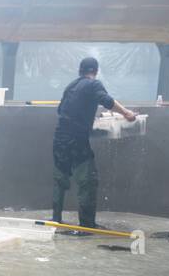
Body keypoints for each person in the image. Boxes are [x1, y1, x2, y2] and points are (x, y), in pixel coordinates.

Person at [52, 56, 136, 230]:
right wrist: (127, 113)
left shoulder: (71, 86)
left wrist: (87, 117)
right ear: (95, 71)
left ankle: (55, 220)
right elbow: (107, 101)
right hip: (77, 140)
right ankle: (87, 224)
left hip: (59, 139)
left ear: (80, 71)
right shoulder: (93, 84)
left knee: (60, 179)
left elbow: (61, 110)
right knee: (87, 181)